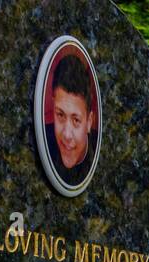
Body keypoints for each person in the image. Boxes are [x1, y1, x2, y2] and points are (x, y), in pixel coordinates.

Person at [45, 52, 96, 186]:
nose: (67, 135)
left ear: (89, 121)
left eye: (76, 120)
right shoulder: (44, 141)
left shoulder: (98, 152)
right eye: (60, 115)